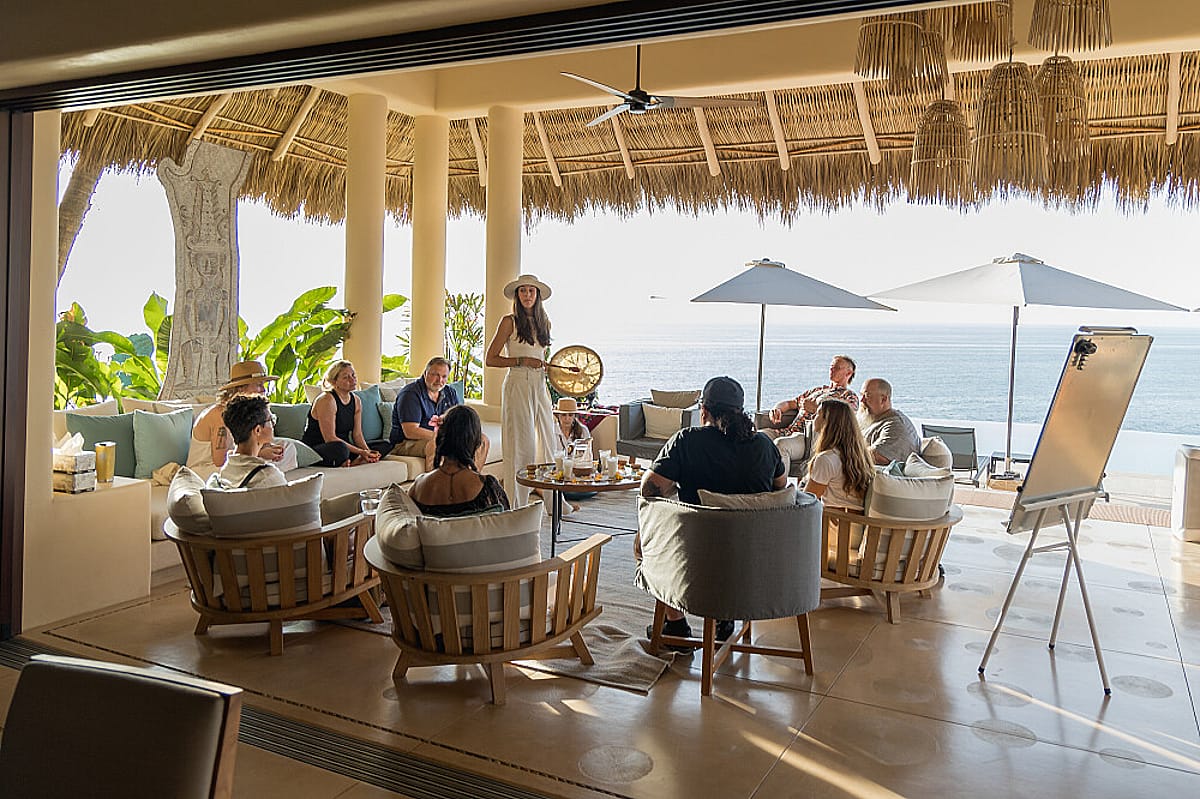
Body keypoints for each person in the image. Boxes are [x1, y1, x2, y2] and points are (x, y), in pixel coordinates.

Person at [639, 376, 786, 647]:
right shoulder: (765, 446)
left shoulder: (687, 441)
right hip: (755, 561)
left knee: (648, 540)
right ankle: (724, 615)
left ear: (703, 410)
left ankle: (676, 625)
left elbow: (650, 489)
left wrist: (678, 482)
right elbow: (781, 489)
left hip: (697, 560)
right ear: (741, 411)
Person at [484, 273, 558, 507]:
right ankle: (517, 505)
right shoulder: (509, 321)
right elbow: (491, 359)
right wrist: (521, 361)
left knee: (549, 442)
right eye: (523, 291)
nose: (527, 295)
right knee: (521, 446)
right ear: (517, 295)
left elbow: (538, 358)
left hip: (539, 383)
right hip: (517, 383)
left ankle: (553, 501)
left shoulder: (544, 323)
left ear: (537, 296)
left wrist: (544, 366)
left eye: (531, 291)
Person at [189, 360, 295, 477]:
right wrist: (259, 453)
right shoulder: (220, 414)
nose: (263, 390)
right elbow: (220, 461)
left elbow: (254, 439)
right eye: (259, 385)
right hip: (209, 468)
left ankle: (264, 472)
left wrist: (268, 448)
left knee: (288, 447)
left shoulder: (250, 411)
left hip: (240, 457)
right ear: (240, 388)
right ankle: (264, 474)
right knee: (255, 467)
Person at [763, 354, 860, 475]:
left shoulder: (848, 396)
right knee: (757, 437)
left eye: (837, 368)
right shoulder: (817, 390)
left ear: (848, 373)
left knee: (781, 444)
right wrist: (777, 409)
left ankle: (780, 490)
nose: (832, 370)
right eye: (831, 367)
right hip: (788, 431)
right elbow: (790, 403)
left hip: (808, 438)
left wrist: (815, 409)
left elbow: (843, 420)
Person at [390, 356, 489, 472]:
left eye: (444, 376)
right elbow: (411, 431)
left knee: (482, 440)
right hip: (405, 443)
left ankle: (469, 480)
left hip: (441, 436)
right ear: (425, 373)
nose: (439, 380)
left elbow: (460, 420)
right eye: (435, 375)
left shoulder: (450, 392)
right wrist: (445, 437)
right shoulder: (410, 394)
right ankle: (432, 486)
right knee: (435, 444)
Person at [407, 405, 509, 517]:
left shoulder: (418, 487)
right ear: (474, 442)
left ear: (440, 438)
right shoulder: (488, 488)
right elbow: (506, 523)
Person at [302, 360, 393, 467]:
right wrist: (361, 452)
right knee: (340, 449)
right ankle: (348, 461)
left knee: (386, 444)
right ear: (334, 381)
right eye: (346, 377)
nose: (352, 379)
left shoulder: (356, 400)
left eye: (353, 375)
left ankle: (351, 462)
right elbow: (330, 438)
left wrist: (368, 452)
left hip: (345, 446)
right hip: (322, 447)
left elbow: (357, 435)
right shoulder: (327, 400)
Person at [802, 398, 875, 511]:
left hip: (836, 524)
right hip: (855, 523)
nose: (813, 417)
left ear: (827, 422)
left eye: (818, 414)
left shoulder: (826, 459)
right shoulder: (859, 455)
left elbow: (807, 501)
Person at [211, 395, 287, 489]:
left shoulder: (226, 471)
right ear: (258, 430)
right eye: (271, 420)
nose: (273, 424)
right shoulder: (268, 476)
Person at [859, 377, 920, 465]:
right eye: (861, 395)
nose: (862, 400)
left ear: (883, 399)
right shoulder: (872, 418)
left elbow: (878, 456)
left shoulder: (895, 425)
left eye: (867, 396)